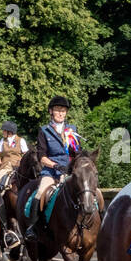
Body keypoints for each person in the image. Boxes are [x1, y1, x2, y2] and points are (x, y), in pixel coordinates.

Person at [25, 96, 81, 241]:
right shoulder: (44, 130)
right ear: (51, 111)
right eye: (57, 110)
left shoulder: (72, 130)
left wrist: (74, 166)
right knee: (40, 192)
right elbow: (42, 157)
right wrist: (55, 166)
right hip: (51, 171)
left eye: (63, 111)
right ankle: (32, 227)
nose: (61, 113)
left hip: (70, 170)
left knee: (89, 191)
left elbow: (77, 153)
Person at [0, 121, 28, 189]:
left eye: (4, 130)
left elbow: (26, 154)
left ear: (9, 132)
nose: (3, 132)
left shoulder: (21, 140)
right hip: (5, 166)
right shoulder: (3, 140)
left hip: (17, 166)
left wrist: (22, 164)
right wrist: (0, 163)